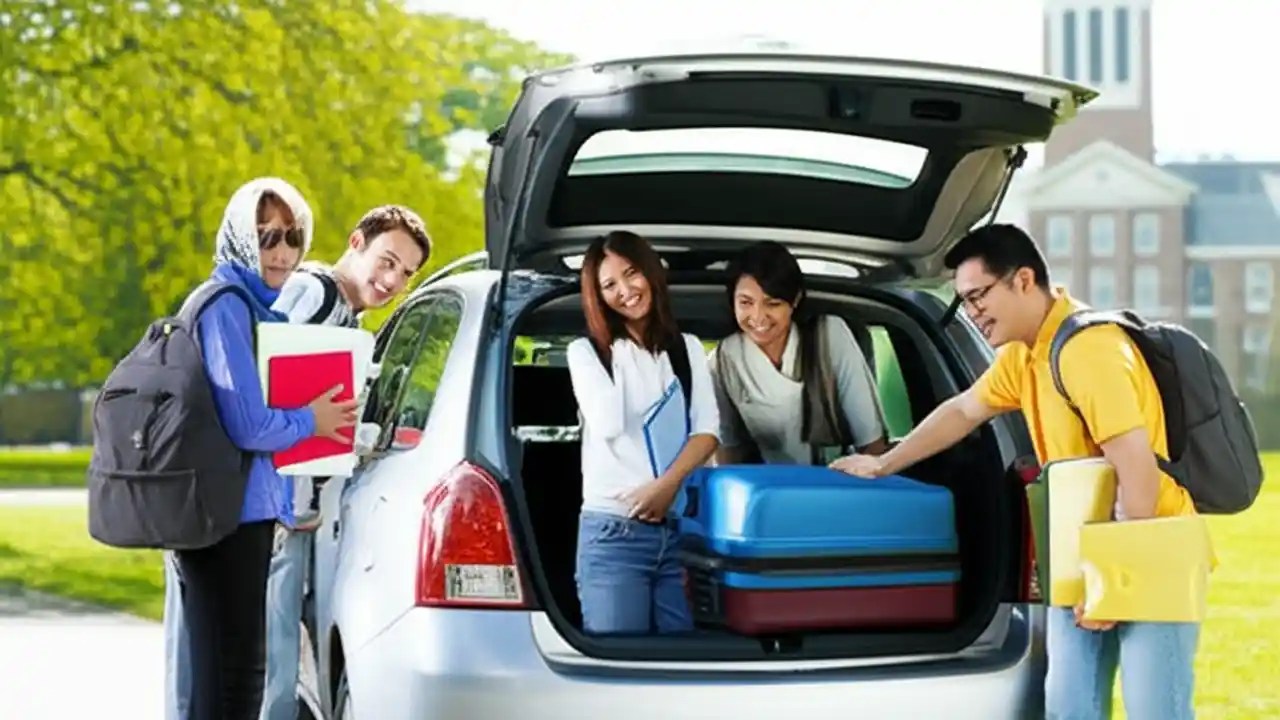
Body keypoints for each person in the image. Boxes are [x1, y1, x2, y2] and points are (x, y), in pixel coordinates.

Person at [829, 223, 1201, 720]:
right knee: (1070, 708)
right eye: (964, 301)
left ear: (1023, 279)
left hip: (1149, 548)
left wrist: (1113, 582)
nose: (974, 312)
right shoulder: (1025, 355)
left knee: (1156, 711)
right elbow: (963, 411)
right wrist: (885, 462)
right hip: (1078, 553)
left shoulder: (1090, 351)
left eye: (979, 295)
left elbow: (1137, 470)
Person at [167, 177, 359, 720]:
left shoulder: (257, 308)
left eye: (293, 237)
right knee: (234, 682)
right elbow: (248, 424)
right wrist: (314, 419)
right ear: (239, 237)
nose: (281, 252)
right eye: (266, 236)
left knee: (227, 678)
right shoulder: (227, 307)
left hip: (238, 513)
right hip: (224, 518)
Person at [259, 205, 431, 720]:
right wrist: (287, 500)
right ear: (356, 241)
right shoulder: (313, 292)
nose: (392, 279)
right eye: (387, 261)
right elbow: (266, 387)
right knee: (276, 647)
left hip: (302, 506)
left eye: (405, 273)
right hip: (278, 508)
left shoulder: (349, 318)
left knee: (290, 644)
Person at [566, 230, 720, 635]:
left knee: (682, 668)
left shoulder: (686, 349)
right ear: (597, 296)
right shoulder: (586, 353)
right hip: (614, 534)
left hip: (676, 534)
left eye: (631, 274)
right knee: (619, 666)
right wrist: (619, 348)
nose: (626, 291)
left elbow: (707, 431)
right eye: (609, 285)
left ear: (651, 273)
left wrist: (667, 486)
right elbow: (609, 422)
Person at [709, 241, 889, 466]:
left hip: (837, 477)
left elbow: (870, 440)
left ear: (794, 300)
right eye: (746, 302)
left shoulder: (828, 336)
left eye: (772, 303)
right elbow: (729, 448)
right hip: (769, 486)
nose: (758, 317)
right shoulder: (724, 360)